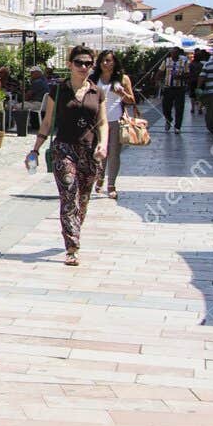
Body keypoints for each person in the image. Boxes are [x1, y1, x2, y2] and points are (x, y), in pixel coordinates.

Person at [29, 45, 107, 267]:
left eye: (88, 64)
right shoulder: (57, 91)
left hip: (90, 151)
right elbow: (47, 121)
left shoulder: (97, 92)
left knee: (82, 199)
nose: (84, 67)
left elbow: (102, 123)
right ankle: (72, 247)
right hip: (64, 148)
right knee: (68, 193)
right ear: (70, 65)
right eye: (79, 62)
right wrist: (35, 148)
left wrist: (103, 144)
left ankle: (75, 228)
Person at [91, 49, 134, 200]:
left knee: (114, 153)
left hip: (116, 120)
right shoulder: (93, 78)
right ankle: (100, 176)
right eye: (102, 60)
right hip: (97, 121)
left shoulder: (123, 78)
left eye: (108, 60)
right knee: (99, 152)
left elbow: (132, 101)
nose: (105, 63)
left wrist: (122, 93)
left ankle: (111, 185)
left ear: (115, 62)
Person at [159, 48, 189, 132]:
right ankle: (168, 120)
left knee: (179, 108)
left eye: (175, 53)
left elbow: (187, 74)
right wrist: (157, 79)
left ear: (178, 53)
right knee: (166, 107)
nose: (173, 54)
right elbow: (160, 71)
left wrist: (180, 77)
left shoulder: (184, 62)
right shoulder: (166, 61)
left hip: (179, 88)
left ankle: (177, 126)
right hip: (168, 87)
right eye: (172, 52)